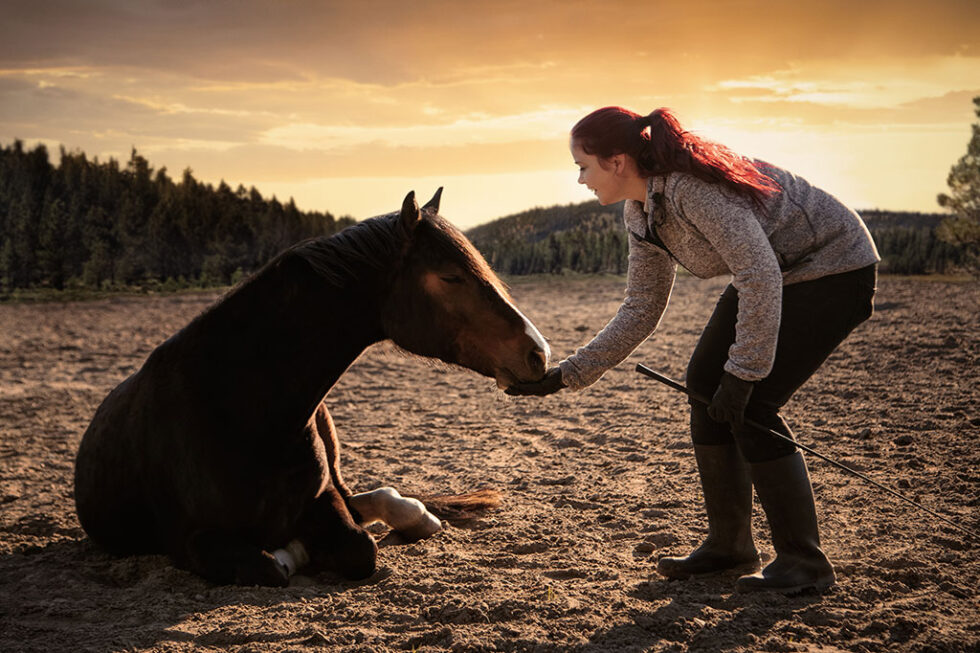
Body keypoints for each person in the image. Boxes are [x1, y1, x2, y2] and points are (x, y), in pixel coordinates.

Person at [506, 106, 879, 594]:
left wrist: (744, 374)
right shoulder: (641, 210)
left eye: (583, 165)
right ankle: (730, 547)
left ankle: (803, 562)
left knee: (754, 401)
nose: (579, 179)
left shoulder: (692, 190)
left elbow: (758, 274)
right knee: (705, 383)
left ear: (617, 161)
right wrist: (568, 374)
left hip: (833, 268)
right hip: (776, 272)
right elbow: (642, 305)